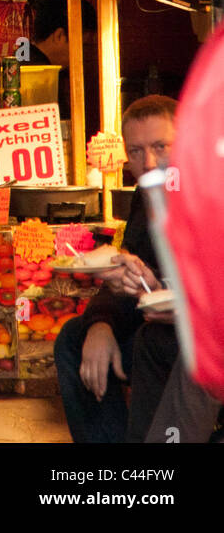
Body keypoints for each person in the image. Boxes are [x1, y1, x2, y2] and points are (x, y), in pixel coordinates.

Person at [55, 95, 219, 442]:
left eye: (162, 146)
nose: (150, 162)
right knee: (75, 338)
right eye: (136, 151)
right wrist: (102, 323)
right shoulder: (147, 197)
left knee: (158, 342)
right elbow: (139, 269)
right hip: (171, 327)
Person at [26, 0, 97, 119]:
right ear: (59, 36)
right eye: (83, 45)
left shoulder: (28, 57)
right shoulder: (39, 74)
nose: (83, 54)